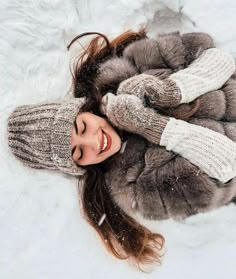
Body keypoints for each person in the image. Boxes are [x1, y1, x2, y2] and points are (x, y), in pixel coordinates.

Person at [7, 29, 236, 270]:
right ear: (79, 167)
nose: (94, 143)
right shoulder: (138, 189)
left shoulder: (125, 72)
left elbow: (217, 58)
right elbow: (228, 165)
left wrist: (168, 91)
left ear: (85, 110)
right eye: (80, 153)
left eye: (83, 127)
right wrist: (152, 126)